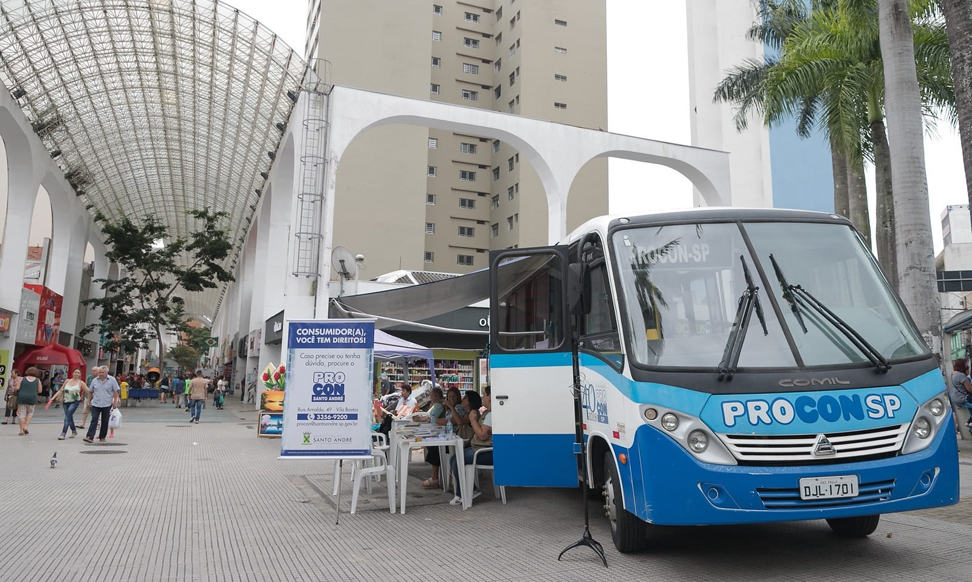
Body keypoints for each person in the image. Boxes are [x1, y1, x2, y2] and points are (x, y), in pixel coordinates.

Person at [449, 388, 491, 505]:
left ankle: (461, 494)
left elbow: (483, 435)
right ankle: (471, 489)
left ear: (490, 397)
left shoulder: (490, 415)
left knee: (458, 459)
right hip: (479, 448)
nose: (482, 397)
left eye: (484, 395)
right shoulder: (487, 413)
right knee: (454, 458)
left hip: (485, 451)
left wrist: (473, 420)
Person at [84, 366, 121, 443]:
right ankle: (90, 436)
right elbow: (90, 391)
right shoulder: (95, 380)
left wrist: (115, 402)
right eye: (99, 372)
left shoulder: (112, 380)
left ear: (106, 372)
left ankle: (102, 436)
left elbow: (115, 392)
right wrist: (88, 400)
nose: (101, 374)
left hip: (107, 403)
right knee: (94, 419)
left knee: (105, 420)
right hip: (95, 403)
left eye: (102, 372)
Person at [50, 368, 88, 440]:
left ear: (80, 374)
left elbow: (88, 391)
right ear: (72, 373)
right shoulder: (67, 381)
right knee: (69, 417)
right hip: (65, 401)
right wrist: (52, 398)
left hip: (75, 401)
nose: (76, 374)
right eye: (75, 372)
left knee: (67, 417)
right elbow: (61, 390)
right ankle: (74, 431)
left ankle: (63, 433)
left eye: (78, 372)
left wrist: (89, 399)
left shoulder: (81, 383)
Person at [421, 387, 447, 489]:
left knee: (434, 446)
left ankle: (435, 477)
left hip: (442, 432)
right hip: (440, 430)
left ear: (435, 396)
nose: (430, 397)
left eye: (431, 395)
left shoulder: (439, 405)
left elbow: (432, 418)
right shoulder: (438, 405)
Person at [17, 367, 43, 436]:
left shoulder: (22, 379)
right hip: (32, 397)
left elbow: (17, 388)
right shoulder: (37, 380)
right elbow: (40, 391)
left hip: (22, 397)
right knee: (30, 412)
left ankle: (21, 430)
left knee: (21, 414)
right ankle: (26, 426)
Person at [949, 359, 972, 431]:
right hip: (963, 398)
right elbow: (970, 390)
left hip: (956, 398)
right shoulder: (961, 375)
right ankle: (969, 423)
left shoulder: (953, 375)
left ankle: (970, 426)